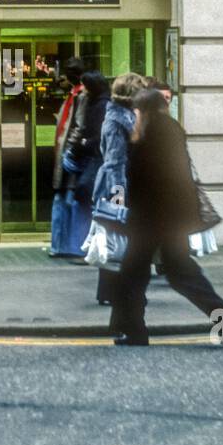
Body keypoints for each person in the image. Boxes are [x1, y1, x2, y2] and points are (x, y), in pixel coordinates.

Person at [110, 88, 223, 346]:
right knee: (181, 272)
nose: (134, 116)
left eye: (136, 111)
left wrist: (125, 203)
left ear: (144, 110)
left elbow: (143, 178)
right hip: (169, 217)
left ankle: (133, 330)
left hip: (152, 218)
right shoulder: (170, 130)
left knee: (133, 274)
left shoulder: (151, 135)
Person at [92, 71, 148, 307]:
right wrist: (118, 196)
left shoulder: (123, 115)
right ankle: (114, 292)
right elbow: (114, 160)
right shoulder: (116, 120)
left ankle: (113, 292)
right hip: (119, 184)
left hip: (126, 183)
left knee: (122, 240)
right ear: (131, 93)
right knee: (118, 241)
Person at [62, 70, 109, 261]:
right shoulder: (96, 103)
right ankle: (87, 246)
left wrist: (82, 144)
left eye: (86, 86)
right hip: (92, 158)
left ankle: (90, 247)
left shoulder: (101, 105)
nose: (84, 90)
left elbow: (98, 136)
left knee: (88, 199)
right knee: (87, 200)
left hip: (96, 159)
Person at [49, 57, 85, 256]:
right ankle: (60, 244)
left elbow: (78, 126)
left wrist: (70, 148)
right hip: (65, 154)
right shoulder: (73, 95)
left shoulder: (81, 96)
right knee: (63, 198)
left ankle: (68, 245)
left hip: (70, 157)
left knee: (68, 199)